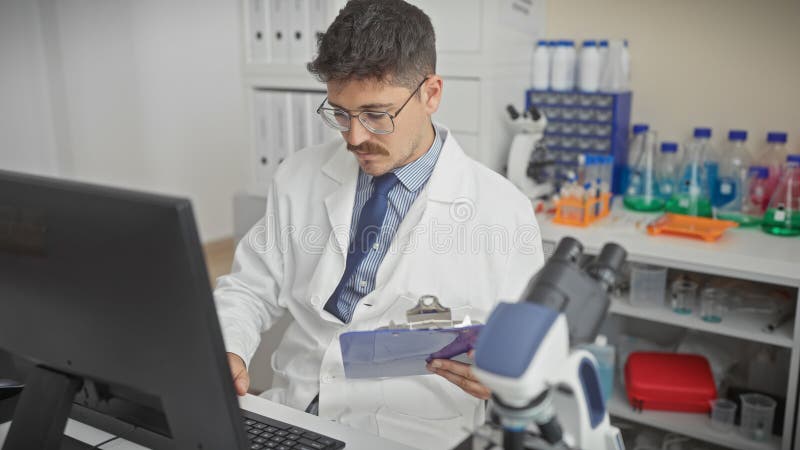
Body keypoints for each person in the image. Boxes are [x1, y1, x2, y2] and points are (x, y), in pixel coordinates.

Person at [214, 0, 544, 448]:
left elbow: (531, 358)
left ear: (431, 93)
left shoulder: (503, 211)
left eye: (375, 114)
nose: (354, 138)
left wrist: (508, 385)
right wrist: (230, 346)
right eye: (340, 113)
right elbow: (250, 288)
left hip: (413, 436)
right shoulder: (299, 175)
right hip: (292, 417)